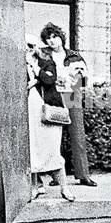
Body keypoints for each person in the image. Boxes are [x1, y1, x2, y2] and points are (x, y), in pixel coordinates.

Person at [38, 22, 96, 187]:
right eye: (48, 38)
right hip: (54, 96)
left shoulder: (74, 56)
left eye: (54, 37)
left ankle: (83, 175)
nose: (52, 41)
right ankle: (57, 176)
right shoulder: (44, 55)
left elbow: (84, 81)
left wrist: (81, 75)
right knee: (55, 137)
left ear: (61, 37)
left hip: (72, 95)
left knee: (78, 134)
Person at [26, 35, 74, 202]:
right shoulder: (18, 64)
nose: (28, 49)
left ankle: (64, 188)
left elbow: (49, 79)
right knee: (34, 149)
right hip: (30, 110)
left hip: (48, 110)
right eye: (25, 46)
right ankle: (36, 186)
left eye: (31, 46)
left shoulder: (46, 61)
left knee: (53, 150)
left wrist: (35, 72)